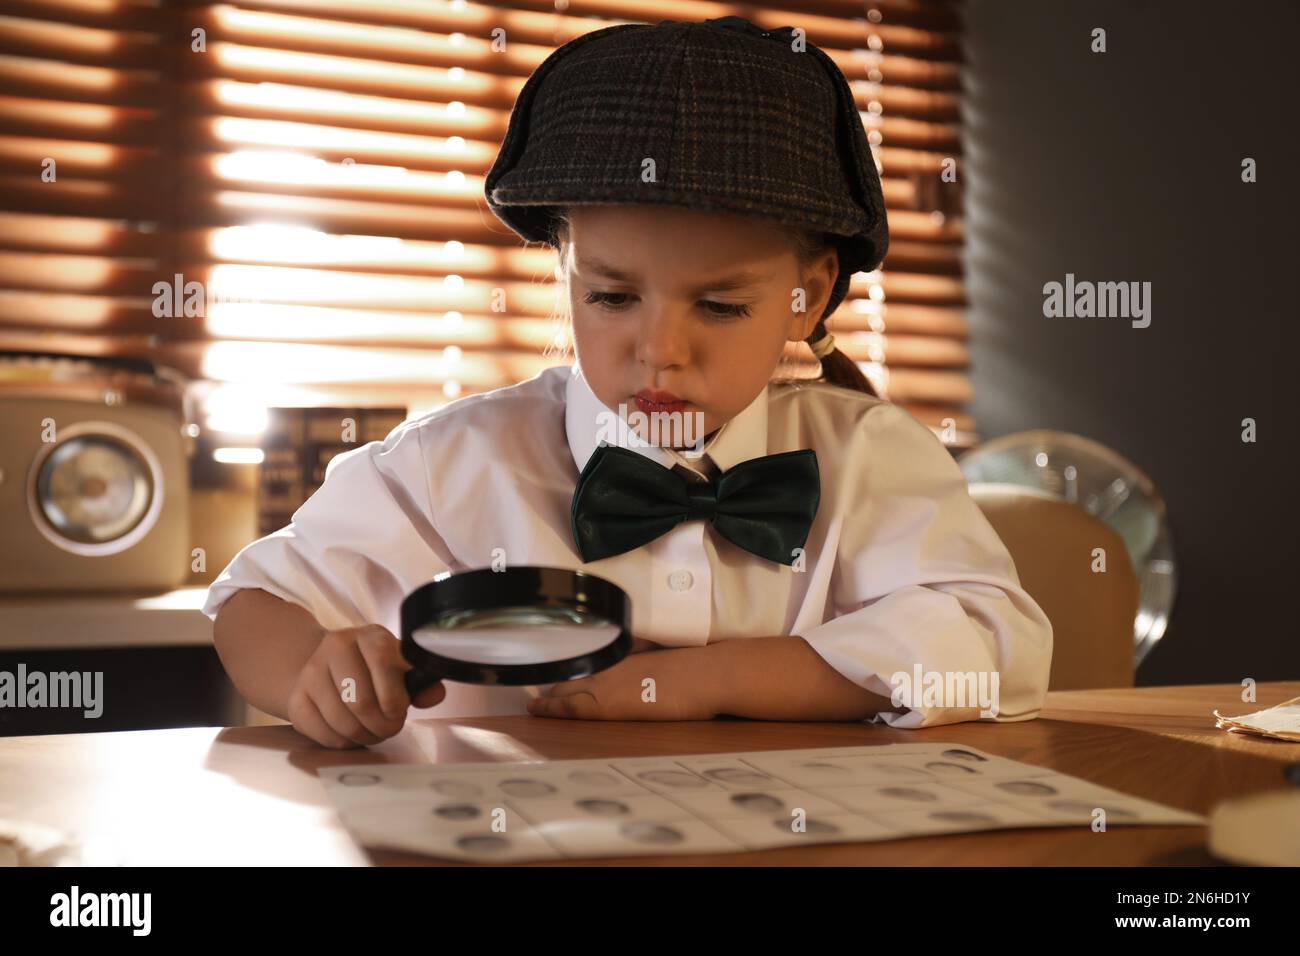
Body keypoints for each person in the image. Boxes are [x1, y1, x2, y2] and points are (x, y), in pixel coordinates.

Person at [203, 17, 1052, 749]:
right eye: (612, 297)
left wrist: (718, 679)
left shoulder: (871, 456)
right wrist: (313, 675)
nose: (660, 354)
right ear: (566, 273)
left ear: (810, 295)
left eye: (719, 305)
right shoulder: (456, 461)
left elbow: (998, 645)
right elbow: (254, 601)